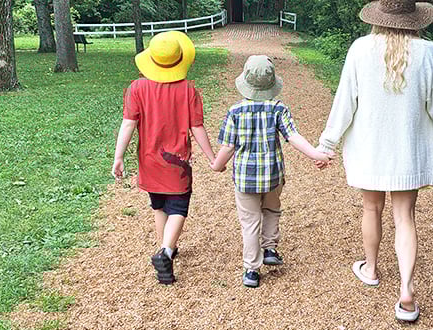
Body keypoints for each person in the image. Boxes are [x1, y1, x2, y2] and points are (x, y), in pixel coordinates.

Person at [317, 0, 433, 323]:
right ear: (415, 17)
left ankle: (370, 269)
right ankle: (406, 292)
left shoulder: (359, 49)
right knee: (405, 218)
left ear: (379, 14)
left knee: (371, 207)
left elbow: (345, 102)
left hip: (370, 149)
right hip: (408, 150)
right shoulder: (429, 53)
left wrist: (327, 145)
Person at [211, 54, 332, 288]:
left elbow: (228, 147)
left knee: (249, 221)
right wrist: (316, 154)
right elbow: (293, 137)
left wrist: (217, 165)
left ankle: (251, 270)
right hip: (273, 174)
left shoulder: (234, 111)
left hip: (245, 178)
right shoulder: (278, 109)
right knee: (272, 209)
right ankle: (270, 248)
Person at [111, 30, 216, 285]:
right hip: (177, 162)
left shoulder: (137, 87)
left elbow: (128, 124)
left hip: (149, 160)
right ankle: (166, 251)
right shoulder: (188, 90)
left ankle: (164, 248)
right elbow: (197, 127)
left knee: (158, 205)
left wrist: (119, 157)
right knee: (178, 206)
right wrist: (212, 157)